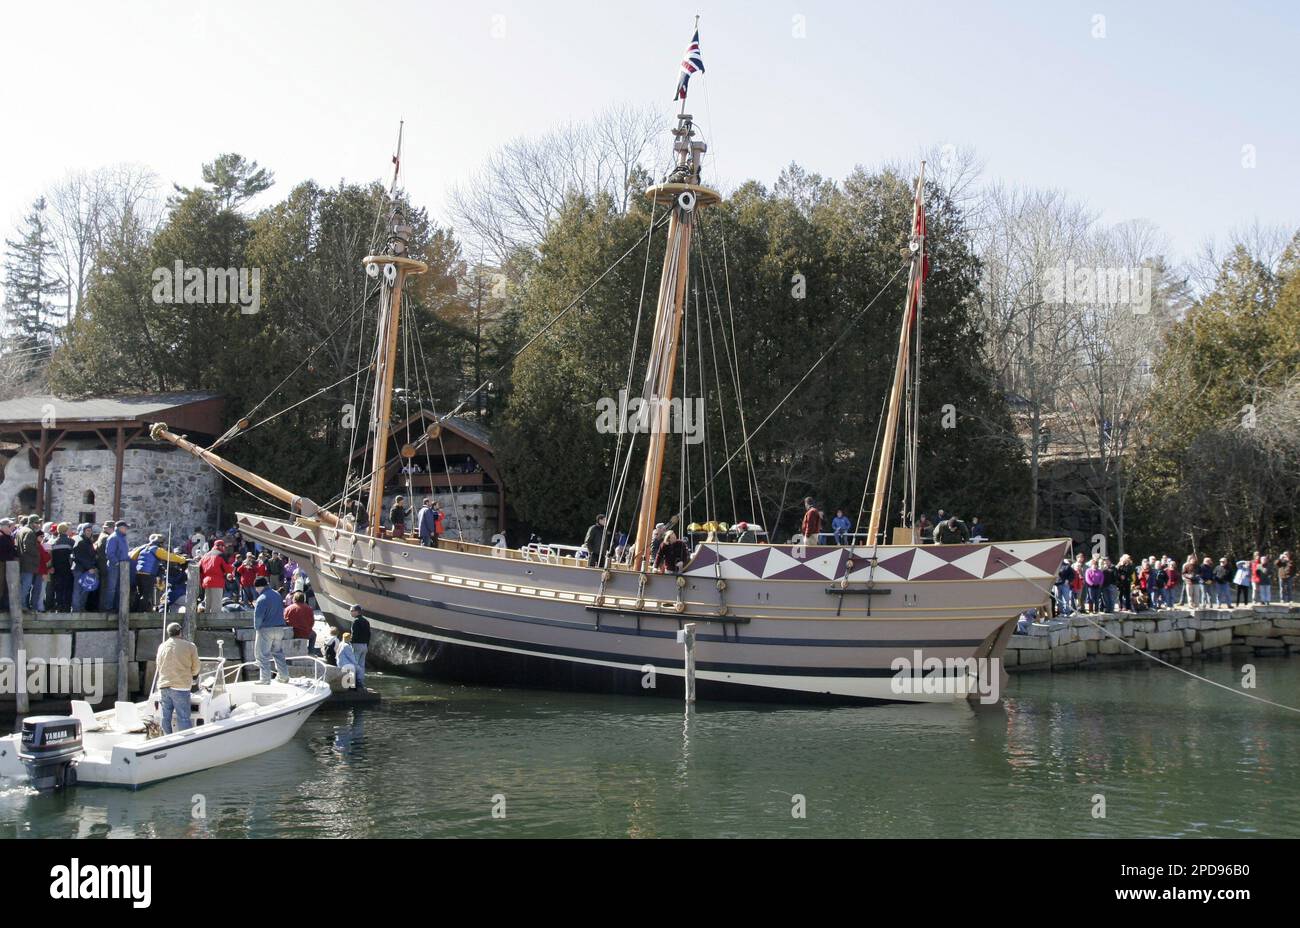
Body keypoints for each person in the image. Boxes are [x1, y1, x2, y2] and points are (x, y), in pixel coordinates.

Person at [155, 622, 200, 735]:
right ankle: (186, 742)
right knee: (183, 717)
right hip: (180, 687)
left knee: (165, 717)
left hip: (164, 685)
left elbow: (158, 665)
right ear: (180, 632)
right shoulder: (190, 646)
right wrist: (193, 675)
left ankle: (165, 740)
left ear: (168, 633)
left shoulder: (162, 646)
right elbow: (196, 667)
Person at [252, 577, 290, 684]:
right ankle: (284, 676)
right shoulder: (277, 595)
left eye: (256, 588)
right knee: (278, 653)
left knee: (262, 655)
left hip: (266, 629)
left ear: (259, 586)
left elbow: (258, 617)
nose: (256, 590)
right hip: (279, 629)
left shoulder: (261, 598)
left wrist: (257, 629)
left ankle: (265, 679)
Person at [199, 540, 235, 615]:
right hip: (217, 582)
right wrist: (232, 568)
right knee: (216, 604)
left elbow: (199, 569)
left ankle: (205, 623)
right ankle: (214, 625)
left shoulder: (205, 555)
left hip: (206, 582)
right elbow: (227, 568)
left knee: (207, 603)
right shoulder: (221, 555)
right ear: (221, 546)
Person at [103, 520, 131, 613]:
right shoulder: (114, 537)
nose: (126, 529)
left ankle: (118, 607)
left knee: (119, 588)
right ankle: (109, 608)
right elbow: (110, 553)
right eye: (125, 527)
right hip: (114, 567)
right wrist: (117, 563)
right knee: (112, 588)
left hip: (122, 567)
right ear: (120, 528)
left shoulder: (121, 537)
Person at [15, 514, 41, 612]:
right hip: (28, 564)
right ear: (32, 523)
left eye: (39, 523)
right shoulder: (30, 532)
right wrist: (37, 554)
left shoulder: (21, 530)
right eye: (36, 523)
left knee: (22, 586)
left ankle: (21, 605)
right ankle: (21, 606)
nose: (38, 525)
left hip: (22, 563)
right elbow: (28, 548)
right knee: (25, 586)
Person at [70, 523, 98, 612]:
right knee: (78, 590)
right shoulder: (80, 541)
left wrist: (92, 567)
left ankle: (81, 608)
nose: (90, 532)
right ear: (83, 531)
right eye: (88, 530)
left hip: (87, 570)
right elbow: (80, 556)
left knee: (86, 589)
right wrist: (90, 567)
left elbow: (91, 555)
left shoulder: (87, 541)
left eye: (90, 531)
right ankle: (76, 610)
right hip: (80, 569)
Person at [49, 523, 75, 613]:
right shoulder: (71, 542)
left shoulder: (52, 542)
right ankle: (66, 607)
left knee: (58, 589)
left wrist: (51, 566)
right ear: (66, 531)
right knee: (67, 588)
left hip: (56, 570)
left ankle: (59, 607)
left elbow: (50, 557)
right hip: (68, 569)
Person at [348, 604, 370, 688]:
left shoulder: (355, 621)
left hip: (356, 645)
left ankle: (352, 683)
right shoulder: (366, 621)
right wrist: (367, 645)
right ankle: (360, 682)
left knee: (354, 663)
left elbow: (354, 635)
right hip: (364, 645)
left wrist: (350, 643)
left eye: (351, 611)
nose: (350, 612)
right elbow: (368, 634)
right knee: (361, 665)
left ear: (357, 612)